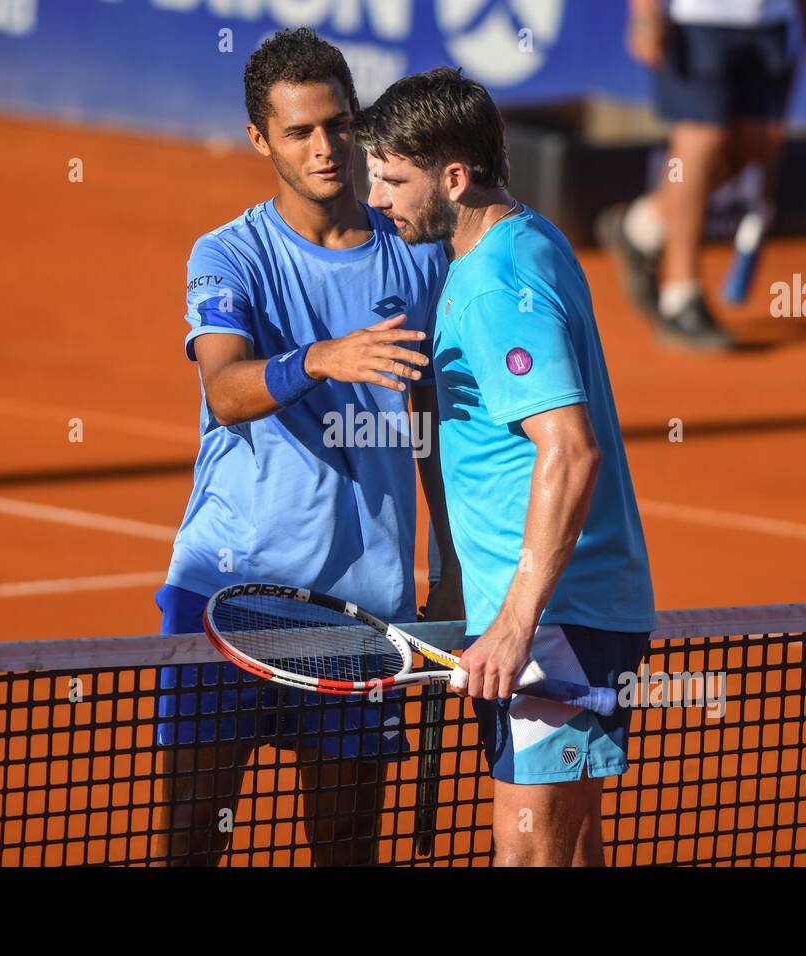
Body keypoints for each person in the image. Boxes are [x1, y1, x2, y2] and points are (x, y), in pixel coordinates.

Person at [155, 28, 460, 865]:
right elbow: (226, 389)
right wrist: (321, 358)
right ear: (261, 139)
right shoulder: (229, 256)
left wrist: (451, 559)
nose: (324, 149)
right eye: (298, 132)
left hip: (363, 608)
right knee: (192, 836)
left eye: (336, 124)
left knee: (347, 842)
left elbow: (435, 417)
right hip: (229, 593)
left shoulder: (417, 255)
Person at [355, 68, 657, 867]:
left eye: (392, 179)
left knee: (527, 858)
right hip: (555, 615)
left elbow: (569, 446)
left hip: (553, 626)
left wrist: (518, 620)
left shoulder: (494, 282)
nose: (376, 197)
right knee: (570, 849)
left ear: (454, 177)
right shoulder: (526, 238)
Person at [599, 0, 806, 350]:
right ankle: (681, 297)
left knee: (756, 142)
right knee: (702, 139)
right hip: (696, 19)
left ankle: (643, 225)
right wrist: (645, 11)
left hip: (769, 21)